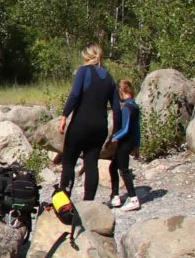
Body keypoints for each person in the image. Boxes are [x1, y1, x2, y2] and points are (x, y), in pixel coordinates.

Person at [56, 44, 115, 202]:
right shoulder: (109, 77)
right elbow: (116, 107)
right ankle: (88, 203)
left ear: (87, 57)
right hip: (100, 127)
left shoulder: (83, 71)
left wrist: (64, 116)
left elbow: (75, 94)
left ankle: (64, 201)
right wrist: (117, 131)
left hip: (81, 124)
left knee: (69, 161)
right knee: (91, 164)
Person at [107, 79, 141, 211]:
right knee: (112, 167)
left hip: (125, 143)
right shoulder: (135, 105)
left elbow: (126, 129)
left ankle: (134, 199)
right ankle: (115, 197)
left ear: (121, 91)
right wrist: (137, 145)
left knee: (124, 171)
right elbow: (137, 128)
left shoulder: (127, 107)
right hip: (131, 142)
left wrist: (113, 138)